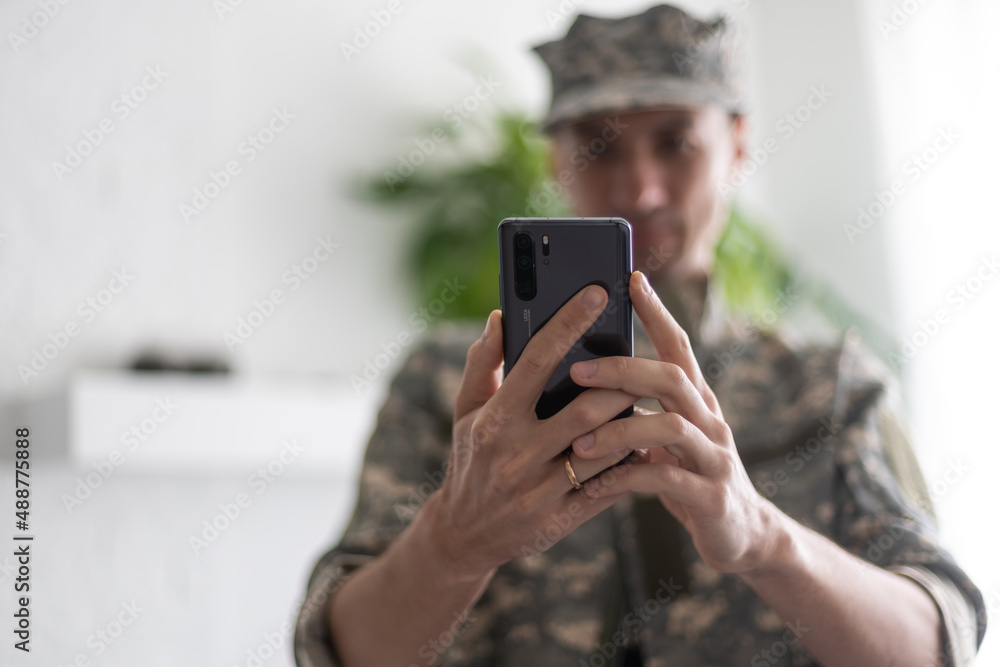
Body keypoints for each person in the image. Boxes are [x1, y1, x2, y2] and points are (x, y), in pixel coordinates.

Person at [294, 5, 986, 666]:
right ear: (553, 160)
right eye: (599, 146)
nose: (641, 188)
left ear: (737, 145)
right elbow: (338, 649)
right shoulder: (454, 385)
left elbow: (938, 642)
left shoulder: (828, 386)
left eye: (676, 142)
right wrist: (453, 541)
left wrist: (763, 537)